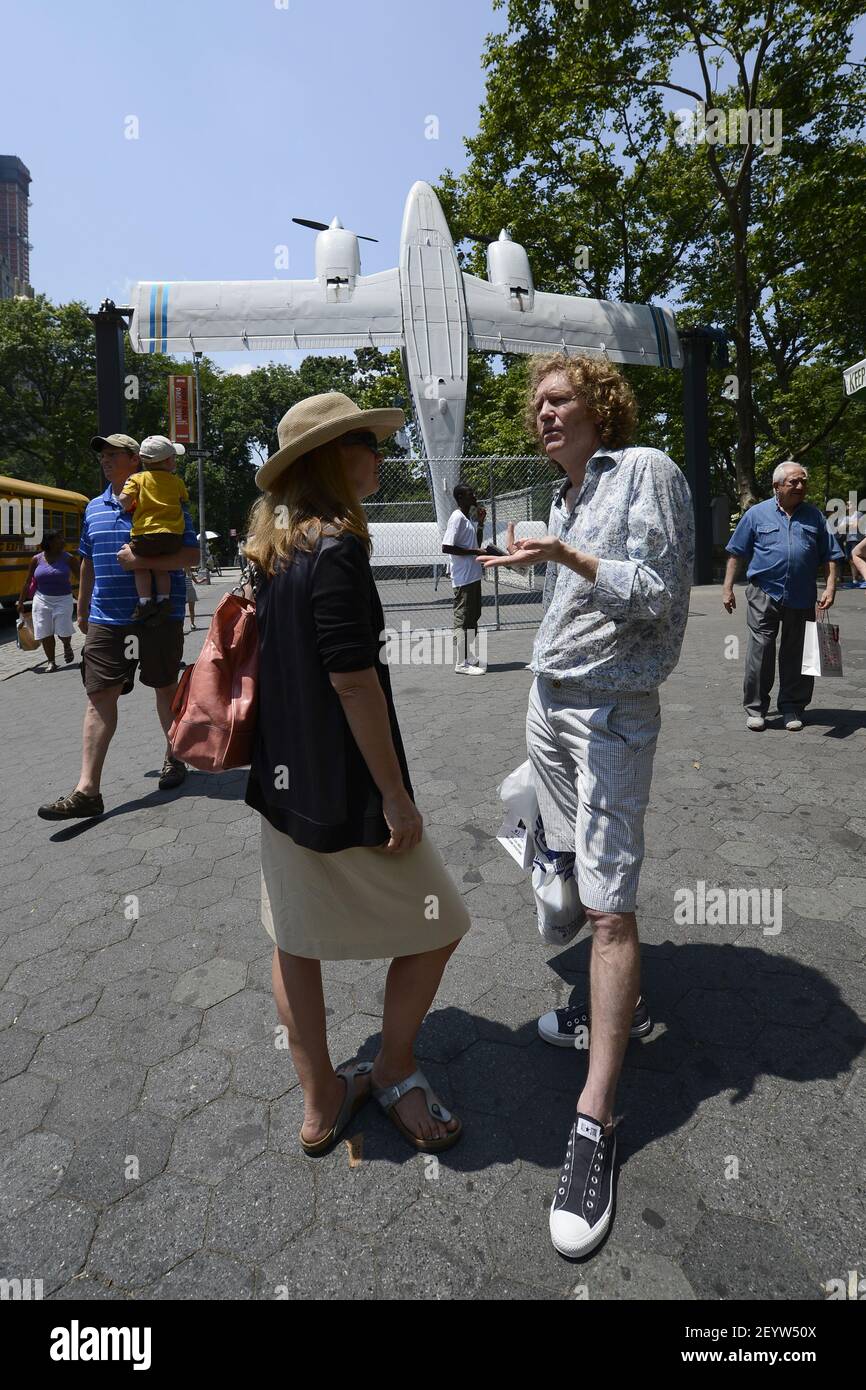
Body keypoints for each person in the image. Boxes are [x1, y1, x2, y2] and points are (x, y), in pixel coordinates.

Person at [481, 353, 694, 1258]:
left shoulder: (645, 470)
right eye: (535, 404)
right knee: (560, 886)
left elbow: (659, 598)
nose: (542, 414)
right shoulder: (562, 495)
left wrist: (564, 552)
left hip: (610, 716)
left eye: (557, 398)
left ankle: (594, 1122)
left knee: (608, 913)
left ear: (601, 404)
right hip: (547, 704)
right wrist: (549, 548)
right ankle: (603, 1010)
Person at [243, 391, 471, 1156]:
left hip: (281, 789)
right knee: (443, 923)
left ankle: (320, 1105)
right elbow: (352, 682)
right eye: (367, 442)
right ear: (332, 459)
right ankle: (395, 1067)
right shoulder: (336, 548)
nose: (381, 453)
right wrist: (397, 796)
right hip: (344, 794)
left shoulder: (273, 551)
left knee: (295, 943)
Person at [37, 433, 201, 819]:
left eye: (113, 455)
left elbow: (191, 555)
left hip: (160, 616)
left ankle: (174, 758)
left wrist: (140, 563)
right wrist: (81, 611)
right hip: (106, 619)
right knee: (99, 697)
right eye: (102, 456)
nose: (105, 461)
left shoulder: (166, 499)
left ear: (136, 460)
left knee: (165, 688)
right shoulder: (93, 508)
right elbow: (88, 562)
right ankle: (87, 791)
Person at [722, 460, 842, 731]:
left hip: (802, 595)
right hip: (763, 592)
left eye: (803, 481)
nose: (800, 486)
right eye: (794, 482)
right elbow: (736, 552)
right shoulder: (756, 514)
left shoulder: (815, 517)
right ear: (777, 486)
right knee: (760, 650)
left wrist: (831, 586)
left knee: (798, 653)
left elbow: (832, 556)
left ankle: (792, 708)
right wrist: (727, 587)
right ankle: (756, 709)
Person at [118, 435, 190, 625]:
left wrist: (128, 504)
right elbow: (184, 499)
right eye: (174, 458)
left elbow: (124, 501)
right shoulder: (177, 481)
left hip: (146, 534)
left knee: (140, 566)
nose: (175, 461)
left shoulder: (137, 478)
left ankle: (145, 602)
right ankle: (164, 600)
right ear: (167, 461)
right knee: (161, 567)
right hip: (173, 535)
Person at [441, 483, 499, 673]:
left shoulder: (467, 518)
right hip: (463, 578)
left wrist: (480, 524)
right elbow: (446, 547)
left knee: (474, 617)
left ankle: (468, 655)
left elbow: (476, 544)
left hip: (473, 576)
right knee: (463, 618)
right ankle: (460, 663)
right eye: (470, 494)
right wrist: (474, 551)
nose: (474, 495)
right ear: (460, 498)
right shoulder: (456, 518)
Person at [16, 528, 80, 672]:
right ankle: (51, 661)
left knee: (63, 629)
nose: (63, 541)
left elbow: (81, 579)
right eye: (59, 538)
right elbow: (27, 582)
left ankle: (67, 644)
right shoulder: (36, 559)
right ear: (49, 542)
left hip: (63, 599)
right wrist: (20, 601)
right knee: (45, 631)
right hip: (42, 599)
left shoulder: (69, 558)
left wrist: (84, 598)